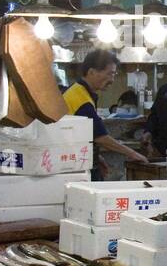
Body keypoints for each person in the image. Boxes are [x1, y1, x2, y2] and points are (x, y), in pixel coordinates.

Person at [64, 49, 149, 180]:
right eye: (110, 74)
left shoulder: (79, 92)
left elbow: (86, 135)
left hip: (79, 160)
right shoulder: (81, 99)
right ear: (92, 72)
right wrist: (133, 154)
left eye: (114, 75)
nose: (112, 79)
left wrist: (97, 156)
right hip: (74, 166)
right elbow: (101, 138)